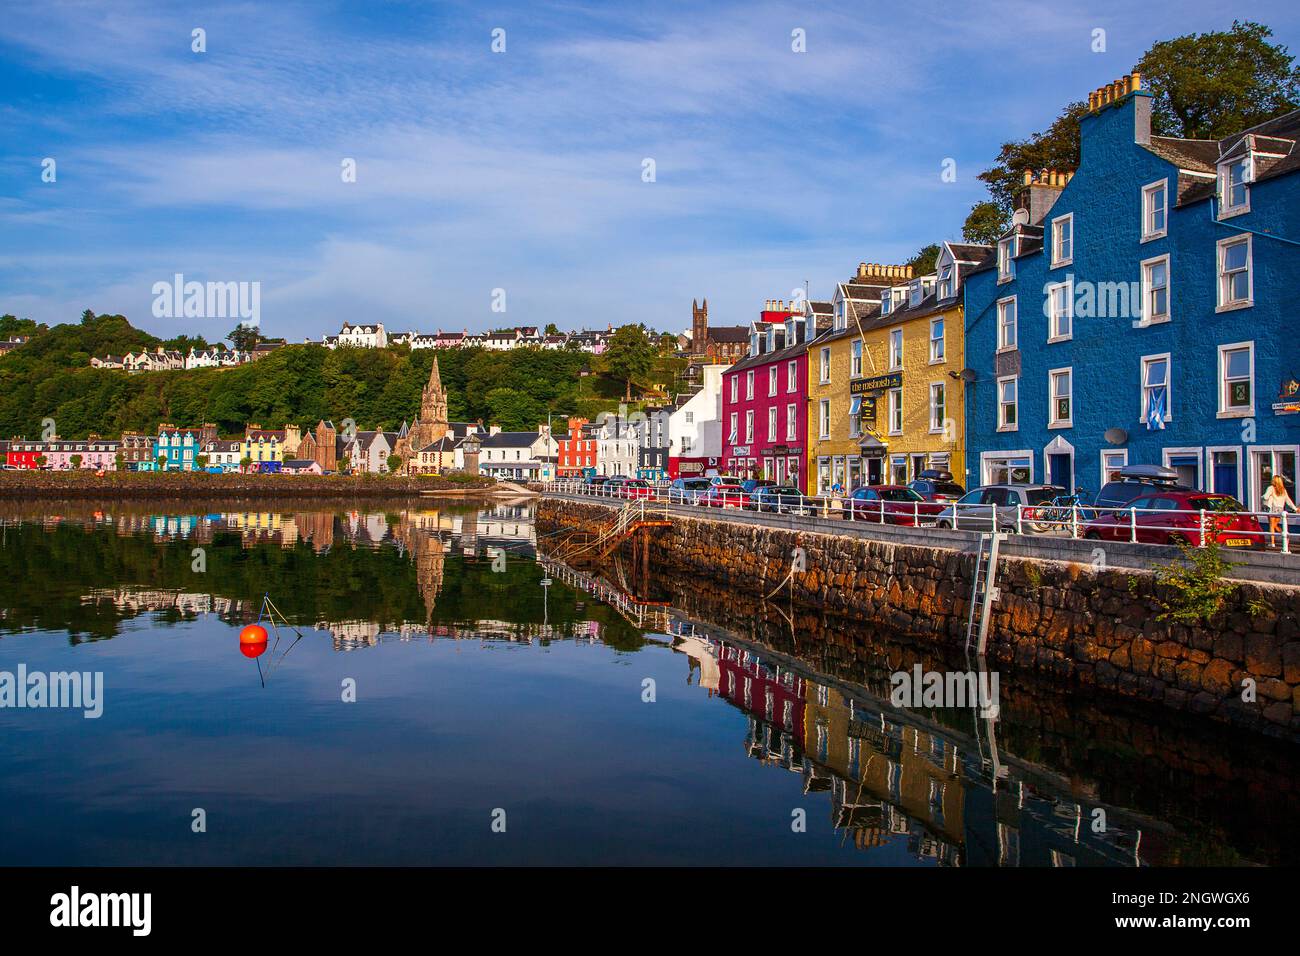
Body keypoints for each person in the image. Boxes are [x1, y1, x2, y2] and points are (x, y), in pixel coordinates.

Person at [1263, 475, 1297, 549]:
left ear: (1274, 481)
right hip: (1280, 509)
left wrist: (1262, 497)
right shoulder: (1283, 490)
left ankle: (1272, 543)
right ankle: (1285, 537)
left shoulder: (1271, 488)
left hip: (1273, 508)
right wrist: (1295, 508)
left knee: (1272, 526)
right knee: (1275, 526)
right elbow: (1288, 500)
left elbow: (1265, 497)